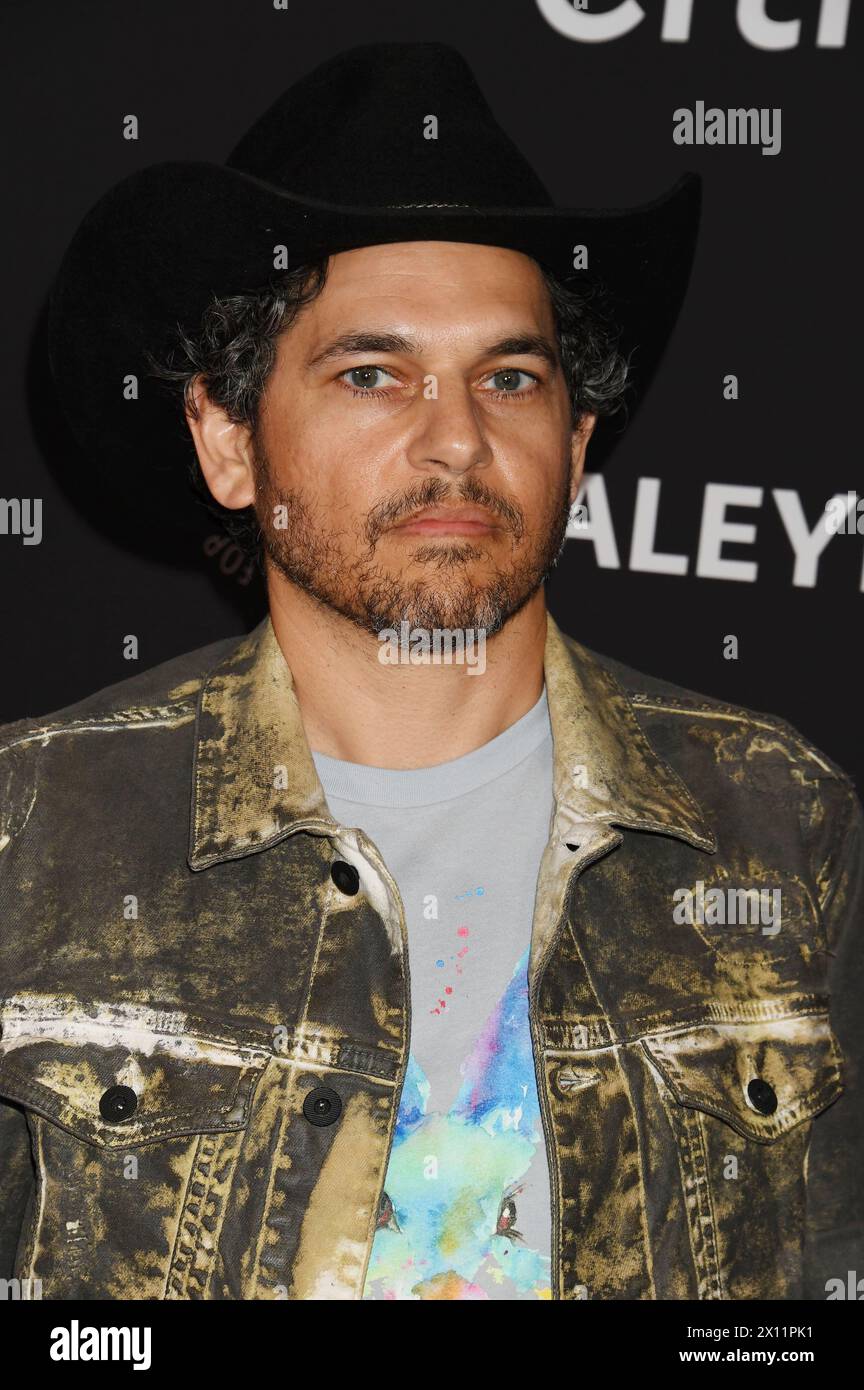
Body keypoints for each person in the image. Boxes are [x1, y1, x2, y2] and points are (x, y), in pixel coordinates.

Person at [1, 41, 860, 1302]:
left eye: (509, 377)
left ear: (573, 446)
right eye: (372, 373)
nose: (455, 437)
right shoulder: (31, 834)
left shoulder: (785, 828)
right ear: (229, 440)